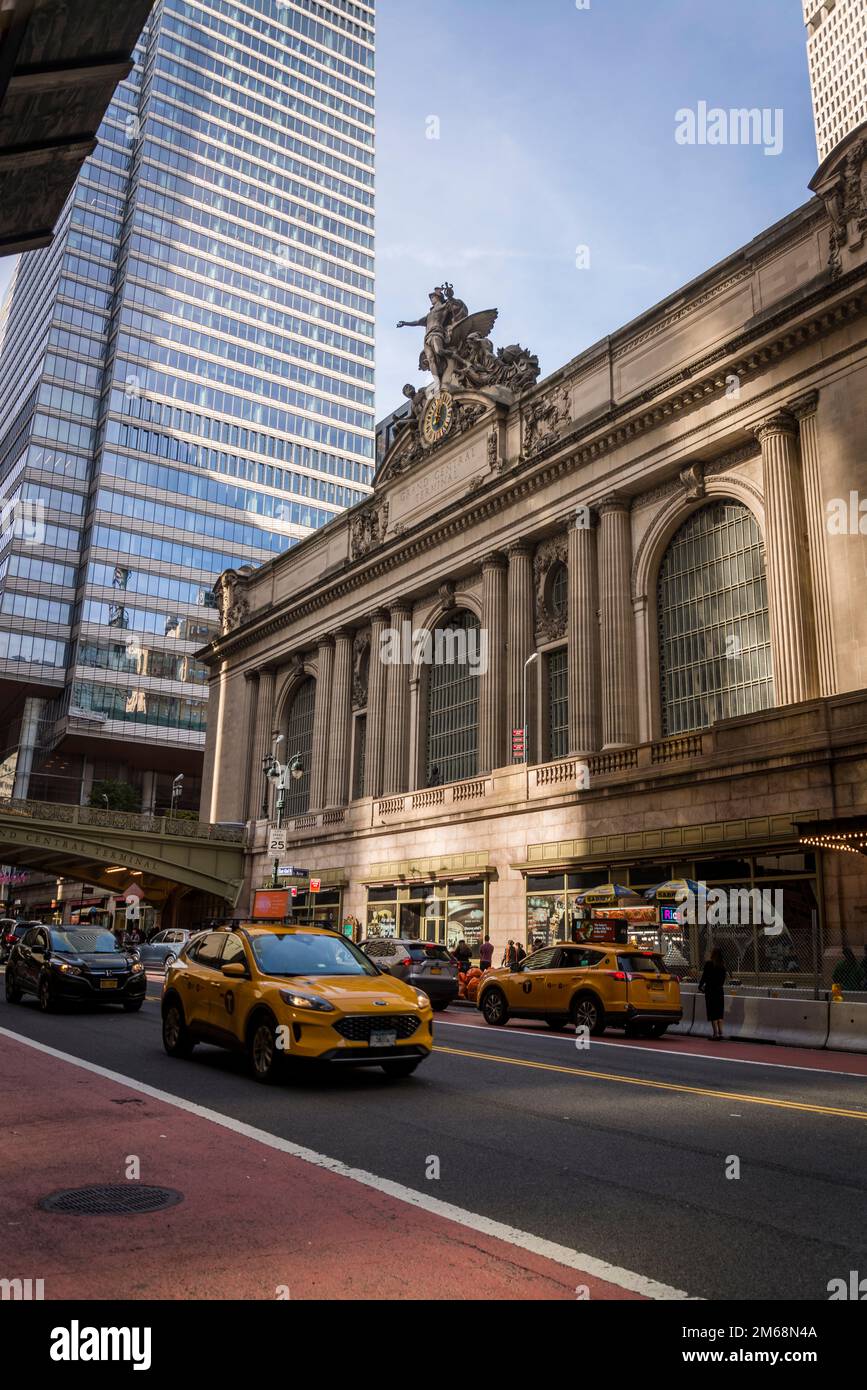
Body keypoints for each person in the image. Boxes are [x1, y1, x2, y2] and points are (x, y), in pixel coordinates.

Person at [699, 946, 727, 1040]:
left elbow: (704, 977)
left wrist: (700, 986)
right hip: (719, 991)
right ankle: (721, 1033)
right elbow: (723, 980)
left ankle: (715, 1034)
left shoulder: (708, 964)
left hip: (710, 991)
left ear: (713, 954)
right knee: (719, 1011)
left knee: (712, 1011)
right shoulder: (722, 966)